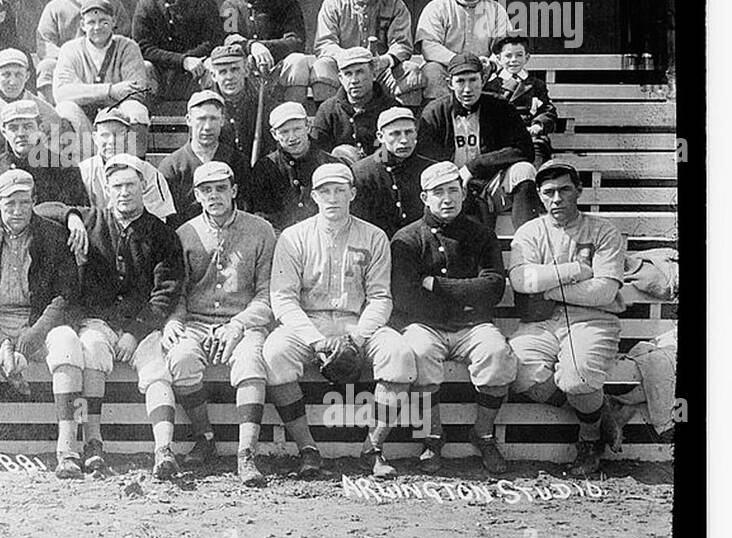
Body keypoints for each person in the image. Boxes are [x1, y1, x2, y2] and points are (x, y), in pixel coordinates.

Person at [262, 161, 415, 479]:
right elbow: (283, 298)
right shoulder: (294, 237)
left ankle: (372, 447)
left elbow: (380, 297)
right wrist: (316, 340)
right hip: (309, 323)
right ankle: (307, 448)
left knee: (399, 355)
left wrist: (357, 338)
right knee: (274, 353)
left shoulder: (373, 236)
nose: (332, 198)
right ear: (314, 196)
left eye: (339, 191)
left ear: (353, 193)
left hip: (357, 323)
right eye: (324, 191)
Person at [0, 170, 86, 478]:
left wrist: (29, 339)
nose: (17, 211)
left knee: (67, 343)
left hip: (36, 322)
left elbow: (66, 296)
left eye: (24, 202)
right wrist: (1, 342)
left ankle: (69, 449)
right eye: (9, 204)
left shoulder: (52, 235)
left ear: (34, 202)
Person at [390, 161, 516, 475]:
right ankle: (431, 438)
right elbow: (406, 297)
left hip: (473, 327)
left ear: (462, 192)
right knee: (417, 352)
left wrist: (437, 284)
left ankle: (483, 434)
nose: (447, 199)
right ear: (424, 197)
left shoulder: (481, 234)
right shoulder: (406, 239)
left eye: (452, 190)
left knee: (497, 354)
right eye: (438, 192)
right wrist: (463, 297)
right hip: (425, 325)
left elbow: (493, 287)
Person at [507, 159, 628, 477]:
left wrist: (548, 288)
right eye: (548, 192)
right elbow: (522, 281)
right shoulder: (529, 232)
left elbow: (602, 292)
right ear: (540, 195)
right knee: (515, 371)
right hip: (541, 322)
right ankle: (600, 410)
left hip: (591, 319)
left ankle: (589, 439)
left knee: (579, 378)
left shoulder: (603, 231)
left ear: (579, 191)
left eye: (564, 190)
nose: (556, 199)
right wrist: (575, 271)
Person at [164, 161, 278, 486]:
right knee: (181, 359)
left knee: (252, 362)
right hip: (197, 322)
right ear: (197, 196)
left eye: (220, 188)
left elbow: (265, 295)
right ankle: (206, 437)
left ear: (234, 191)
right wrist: (174, 321)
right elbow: (180, 293)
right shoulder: (184, 234)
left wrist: (239, 325)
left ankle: (246, 454)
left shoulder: (261, 231)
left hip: (243, 322)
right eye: (206, 190)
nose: (214, 196)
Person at [73, 158, 185, 475]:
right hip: (101, 322)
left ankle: (164, 449)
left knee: (157, 369)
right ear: (107, 191)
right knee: (91, 353)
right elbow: (46, 209)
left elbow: (165, 291)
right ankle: (92, 442)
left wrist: (135, 331)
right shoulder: (93, 220)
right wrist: (71, 218)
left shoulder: (162, 234)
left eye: (131, 186)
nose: (124, 193)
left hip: (144, 326)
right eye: (117, 187)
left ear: (143, 188)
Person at [417, 52, 539, 228]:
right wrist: (454, 179)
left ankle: (528, 239)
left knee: (524, 170)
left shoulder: (500, 107)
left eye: (473, 80)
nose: (467, 89)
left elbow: (524, 149)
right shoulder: (435, 112)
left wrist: (475, 166)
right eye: (460, 81)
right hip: (451, 187)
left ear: (483, 79)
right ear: (449, 83)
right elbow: (426, 157)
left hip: (492, 182)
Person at [313, 0, 422, 106]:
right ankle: (330, 120)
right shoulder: (334, 4)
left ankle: (404, 124)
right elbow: (324, 43)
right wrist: (348, 58)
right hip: (345, 69)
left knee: (410, 70)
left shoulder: (394, 5)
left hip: (380, 70)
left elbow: (402, 44)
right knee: (322, 66)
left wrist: (385, 60)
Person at [52, 0, 152, 160]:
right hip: (84, 120)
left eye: (103, 21)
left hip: (117, 119)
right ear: (83, 25)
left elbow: (137, 91)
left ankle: (133, 165)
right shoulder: (70, 49)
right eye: (91, 22)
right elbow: (61, 93)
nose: (97, 27)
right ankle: (84, 169)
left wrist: (84, 94)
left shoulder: (128, 46)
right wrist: (110, 90)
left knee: (136, 110)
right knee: (65, 109)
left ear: (113, 22)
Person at [35, 0, 130, 100]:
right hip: (69, 69)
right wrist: (72, 58)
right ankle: (52, 119)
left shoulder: (112, 5)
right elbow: (44, 45)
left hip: (106, 67)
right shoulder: (55, 7)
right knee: (46, 67)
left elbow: (124, 38)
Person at [415, 0, 514, 101]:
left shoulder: (495, 10)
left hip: (483, 71)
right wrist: (459, 62)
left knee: (509, 78)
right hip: (448, 70)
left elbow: (506, 47)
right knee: (432, 71)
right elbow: (429, 46)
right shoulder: (437, 7)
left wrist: (491, 64)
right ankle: (443, 121)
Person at [219, 0, 310, 103]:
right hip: (244, 69)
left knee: (298, 61)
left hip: (279, 68)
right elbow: (228, 39)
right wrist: (252, 47)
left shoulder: (289, 4)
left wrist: (260, 46)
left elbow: (296, 42)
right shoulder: (230, 7)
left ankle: (293, 113)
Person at [0, 99, 91, 219]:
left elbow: (82, 214)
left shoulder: (64, 167)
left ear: (40, 128)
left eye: (27, 126)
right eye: (13, 128)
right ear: (4, 132)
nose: (21, 133)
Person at [133, 0, 221, 101]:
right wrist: (182, 61)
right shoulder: (148, 4)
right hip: (160, 71)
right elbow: (142, 47)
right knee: (143, 67)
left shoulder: (206, 3)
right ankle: (142, 117)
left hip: (197, 68)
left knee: (213, 66)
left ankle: (212, 114)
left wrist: (192, 59)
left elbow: (214, 40)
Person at [159, 90, 251, 227]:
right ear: (189, 120)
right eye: (201, 119)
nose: (207, 127)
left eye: (213, 119)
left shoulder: (237, 161)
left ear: (222, 121)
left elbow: (246, 210)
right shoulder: (172, 166)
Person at [0, 48, 71, 163]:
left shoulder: (46, 112)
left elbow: (57, 158)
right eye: (6, 75)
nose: (13, 82)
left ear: (27, 76)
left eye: (18, 74)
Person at [350, 106, 436, 239]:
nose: (404, 140)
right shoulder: (361, 173)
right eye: (395, 134)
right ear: (380, 137)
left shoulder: (431, 170)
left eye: (409, 132)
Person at [250, 102, 338, 231]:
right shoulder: (265, 168)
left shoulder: (329, 164)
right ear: (274, 134)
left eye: (297, 129)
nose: (292, 137)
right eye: (284, 132)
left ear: (308, 126)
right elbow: (261, 214)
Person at [310, 46, 403, 163]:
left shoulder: (391, 109)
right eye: (348, 74)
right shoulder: (328, 110)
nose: (354, 80)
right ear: (340, 78)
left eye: (360, 72)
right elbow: (318, 152)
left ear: (373, 74)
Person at [77, 112, 175, 220]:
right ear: (95, 138)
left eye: (119, 134)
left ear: (128, 137)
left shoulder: (148, 172)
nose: (112, 141)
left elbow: (158, 217)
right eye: (105, 135)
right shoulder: (83, 171)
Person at [484, 34, 557, 165]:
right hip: (501, 140)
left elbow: (547, 110)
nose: (514, 60)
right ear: (499, 58)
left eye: (519, 55)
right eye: (508, 56)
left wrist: (538, 125)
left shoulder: (536, 84)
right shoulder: (492, 85)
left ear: (526, 58)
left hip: (530, 136)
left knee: (536, 159)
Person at [205, 40, 281, 162]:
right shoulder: (206, 109)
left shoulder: (265, 105)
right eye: (223, 72)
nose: (229, 77)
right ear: (214, 76)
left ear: (246, 71)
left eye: (235, 69)